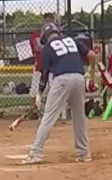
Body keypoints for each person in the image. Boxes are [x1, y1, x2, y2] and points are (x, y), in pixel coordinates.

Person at [21, 26, 99, 164]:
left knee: (49, 116)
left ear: (46, 37)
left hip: (61, 80)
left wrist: (39, 93)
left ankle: (35, 153)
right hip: (79, 78)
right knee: (79, 117)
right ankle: (84, 153)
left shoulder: (47, 48)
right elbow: (92, 55)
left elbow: (44, 74)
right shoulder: (72, 40)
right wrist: (91, 74)